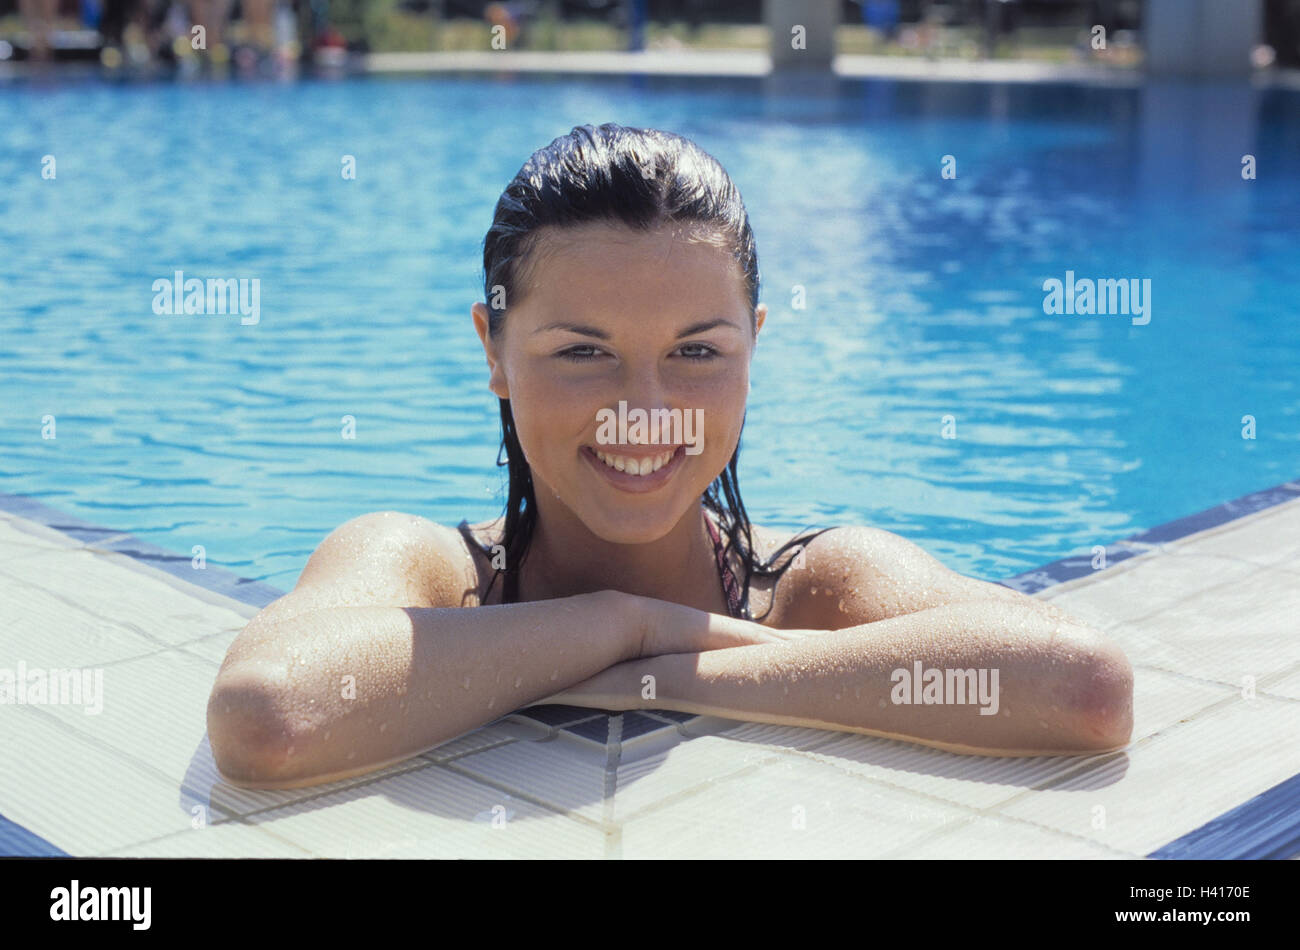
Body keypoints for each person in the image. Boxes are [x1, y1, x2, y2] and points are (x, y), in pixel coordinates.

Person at [207, 123, 1134, 790]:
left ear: (753, 346)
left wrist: (665, 658)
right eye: (583, 352)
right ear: (492, 349)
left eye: (697, 352)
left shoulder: (814, 583)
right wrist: (622, 620)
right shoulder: (423, 567)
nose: (644, 413)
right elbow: (269, 717)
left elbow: (1083, 690)